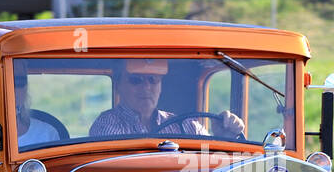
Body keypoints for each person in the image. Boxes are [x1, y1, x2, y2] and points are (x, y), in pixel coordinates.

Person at [89, 58, 245, 139]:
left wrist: (222, 138)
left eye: (153, 80)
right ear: (118, 85)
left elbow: (209, 166)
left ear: (160, 85)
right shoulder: (107, 124)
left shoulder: (186, 126)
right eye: (136, 80)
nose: (146, 87)